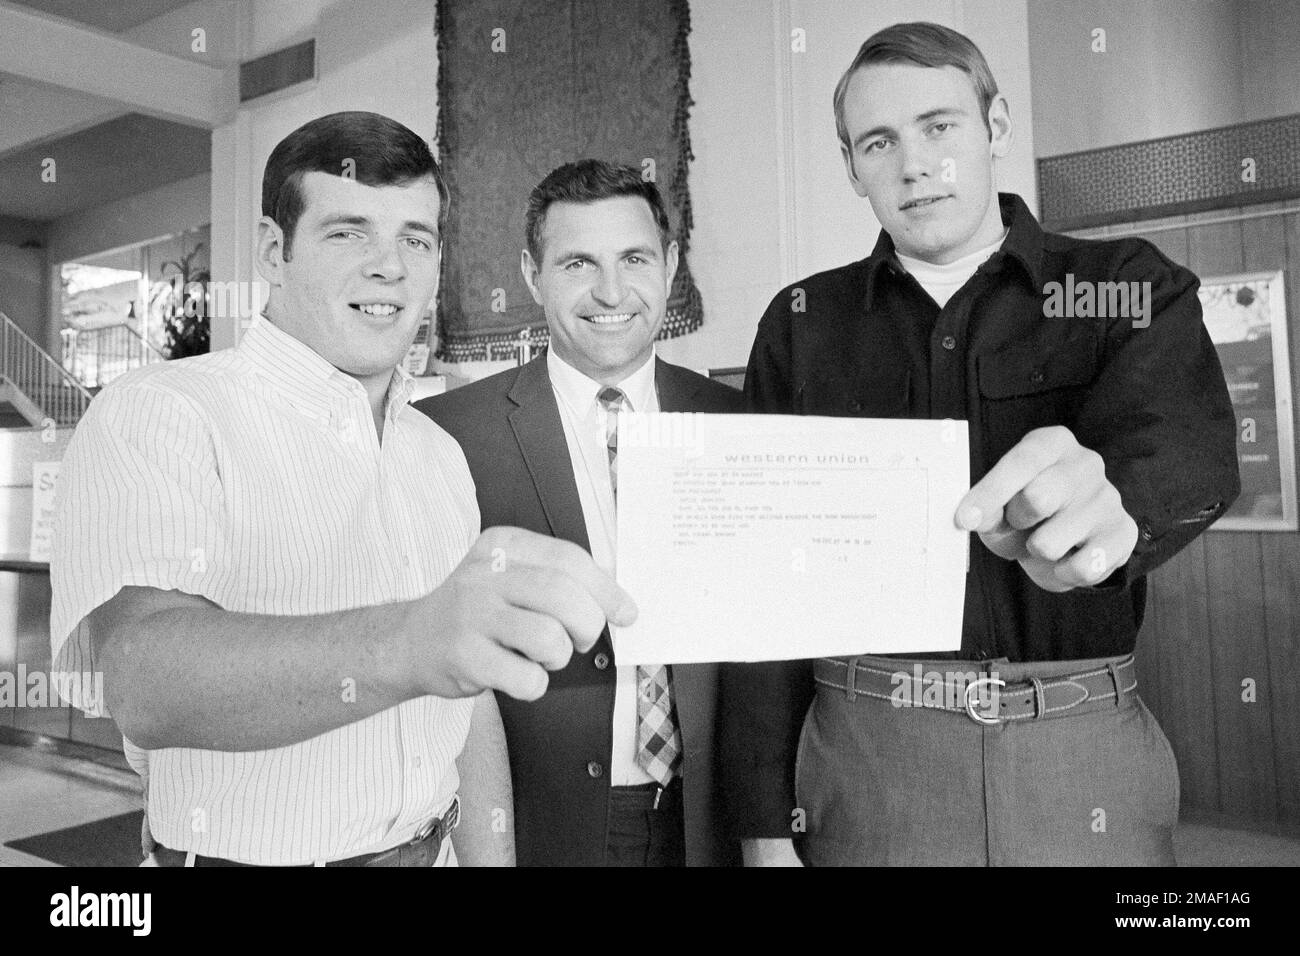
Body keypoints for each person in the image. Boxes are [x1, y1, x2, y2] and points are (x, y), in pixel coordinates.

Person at [49, 112, 632, 868]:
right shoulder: (165, 412)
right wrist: (410, 639)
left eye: (415, 239)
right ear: (272, 250)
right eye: (348, 232)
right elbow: (142, 679)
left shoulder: (438, 453)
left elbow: (464, 687)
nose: (389, 266)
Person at [730, 22, 1240, 866]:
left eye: (941, 126)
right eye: (879, 141)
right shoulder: (802, 326)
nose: (914, 163)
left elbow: (1181, 441)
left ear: (995, 127)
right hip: (864, 757)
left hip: (1080, 752)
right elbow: (763, 589)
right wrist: (760, 824)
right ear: (851, 165)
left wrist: (1112, 509)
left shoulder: (1115, 288)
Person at [419, 160, 744, 866]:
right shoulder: (447, 435)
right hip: (545, 832)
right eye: (577, 263)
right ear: (533, 276)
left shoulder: (737, 420)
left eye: (634, 258)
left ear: (672, 264)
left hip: (712, 825)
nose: (611, 291)